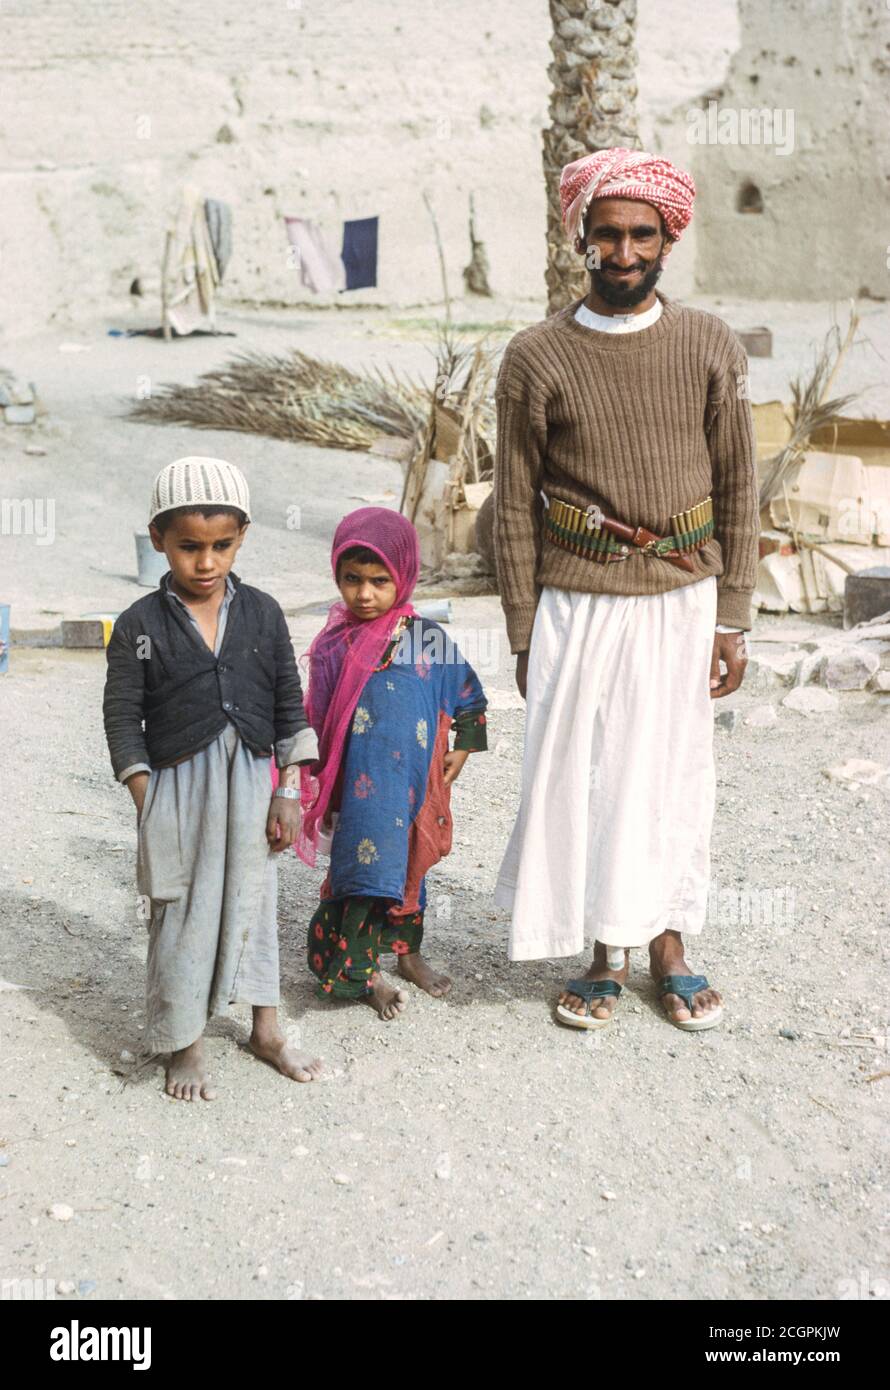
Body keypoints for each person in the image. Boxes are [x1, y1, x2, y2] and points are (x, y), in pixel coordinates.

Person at [492, 148, 759, 1032]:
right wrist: (525, 630)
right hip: (578, 600)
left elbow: (737, 484)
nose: (623, 250)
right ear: (581, 236)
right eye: (606, 232)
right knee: (589, 773)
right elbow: (515, 506)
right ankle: (603, 952)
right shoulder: (535, 356)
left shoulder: (707, 342)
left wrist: (734, 618)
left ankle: (670, 947)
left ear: (668, 238)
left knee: (674, 772)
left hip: (684, 595)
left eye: (642, 232)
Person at [103, 455, 322, 1099]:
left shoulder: (262, 612)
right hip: (177, 785)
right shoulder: (140, 626)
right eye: (188, 547)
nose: (206, 562)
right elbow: (122, 714)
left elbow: (288, 698)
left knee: (255, 898)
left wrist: (287, 790)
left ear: (242, 537)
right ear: (159, 541)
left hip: (254, 779)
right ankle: (185, 1040)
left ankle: (266, 1028)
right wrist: (148, 796)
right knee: (181, 911)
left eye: (221, 546)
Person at [298, 507, 488, 1020]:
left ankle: (408, 955)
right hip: (360, 792)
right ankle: (364, 974)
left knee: (409, 870)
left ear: (403, 576)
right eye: (351, 580)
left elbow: (469, 695)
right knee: (361, 873)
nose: (364, 594)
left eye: (380, 581)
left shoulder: (426, 637)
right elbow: (316, 714)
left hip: (412, 784)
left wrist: (463, 748)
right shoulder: (334, 643)